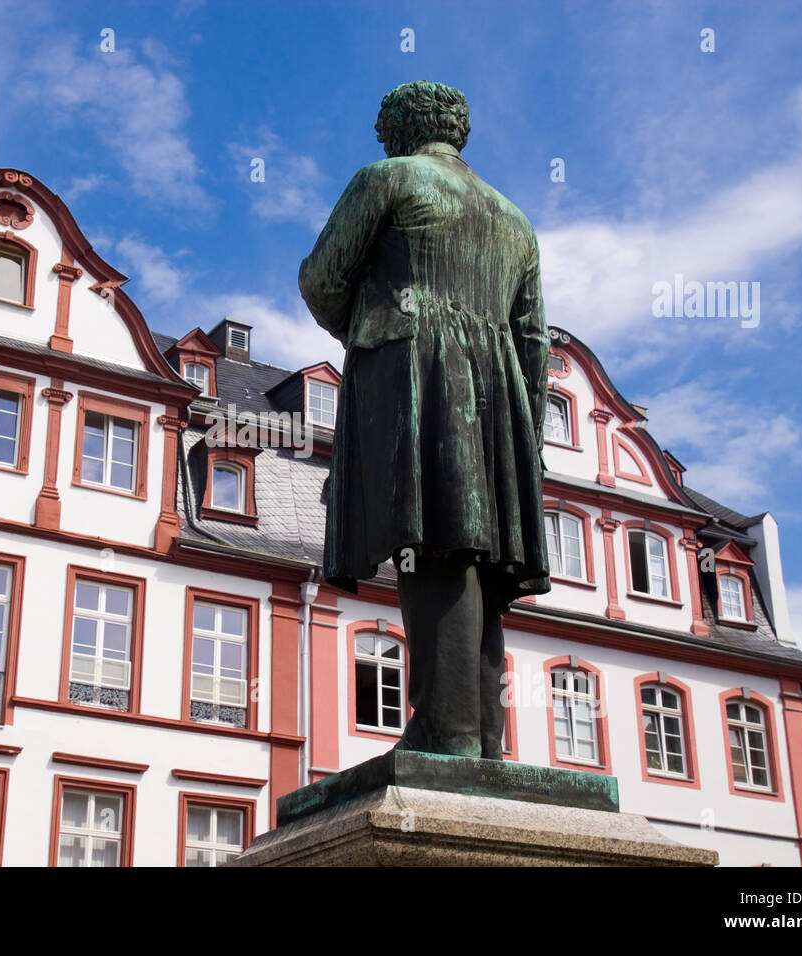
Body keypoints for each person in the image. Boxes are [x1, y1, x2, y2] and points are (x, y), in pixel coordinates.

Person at [299, 80, 551, 759]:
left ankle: (446, 733)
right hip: (499, 400)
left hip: (414, 369)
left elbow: (321, 280)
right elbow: (535, 344)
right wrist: (528, 435)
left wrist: (373, 324)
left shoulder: (385, 179)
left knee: (435, 540)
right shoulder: (514, 221)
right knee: (481, 560)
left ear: (398, 131)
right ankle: (480, 738)